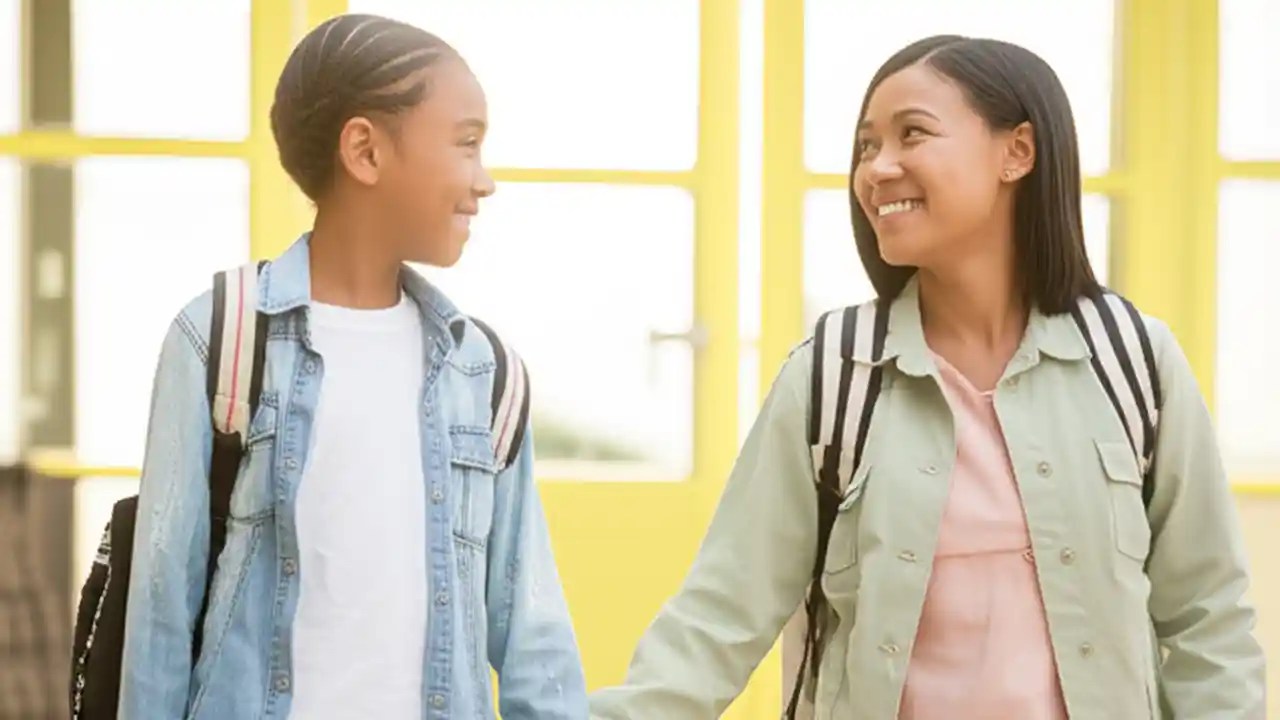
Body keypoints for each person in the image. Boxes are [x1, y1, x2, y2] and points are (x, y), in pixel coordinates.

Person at [589, 35, 1265, 720]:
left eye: (912, 134)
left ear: (1018, 152)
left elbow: (1208, 622)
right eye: (864, 146)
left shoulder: (1134, 361)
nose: (878, 169)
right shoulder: (834, 373)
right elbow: (720, 615)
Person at [116, 14, 586, 719]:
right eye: (466, 144)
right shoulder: (221, 337)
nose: (484, 181)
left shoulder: (483, 373)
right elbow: (157, 616)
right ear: (365, 151)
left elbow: (533, 636)